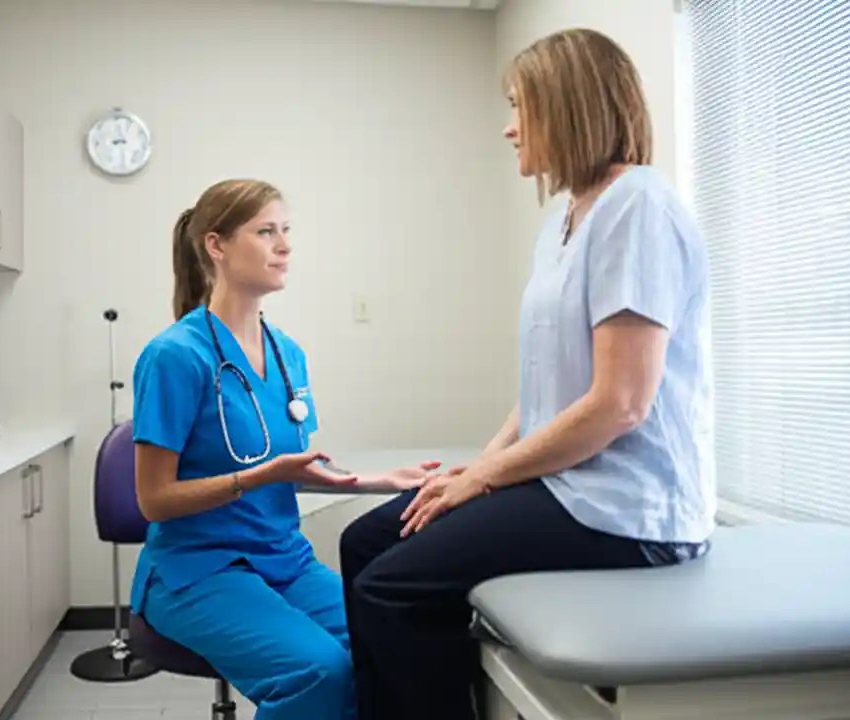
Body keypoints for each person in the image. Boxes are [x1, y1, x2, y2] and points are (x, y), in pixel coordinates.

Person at [339, 27, 717, 720]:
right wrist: (473, 470)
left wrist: (486, 479)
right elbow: (545, 387)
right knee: (363, 541)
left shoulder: (637, 205)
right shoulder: (565, 221)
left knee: (391, 586)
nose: (510, 129)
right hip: (570, 485)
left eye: (521, 106)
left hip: (628, 508)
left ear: (570, 106)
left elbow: (620, 403)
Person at [129, 178, 438, 720]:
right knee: (319, 671)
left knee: (391, 643)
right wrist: (256, 478)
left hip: (283, 559)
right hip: (196, 569)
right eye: (266, 231)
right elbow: (154, 500)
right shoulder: (175, 356)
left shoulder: (287, 353)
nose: (285, 245)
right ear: (216, 246)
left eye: (286, 230)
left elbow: (287, 468)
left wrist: (374, 479)